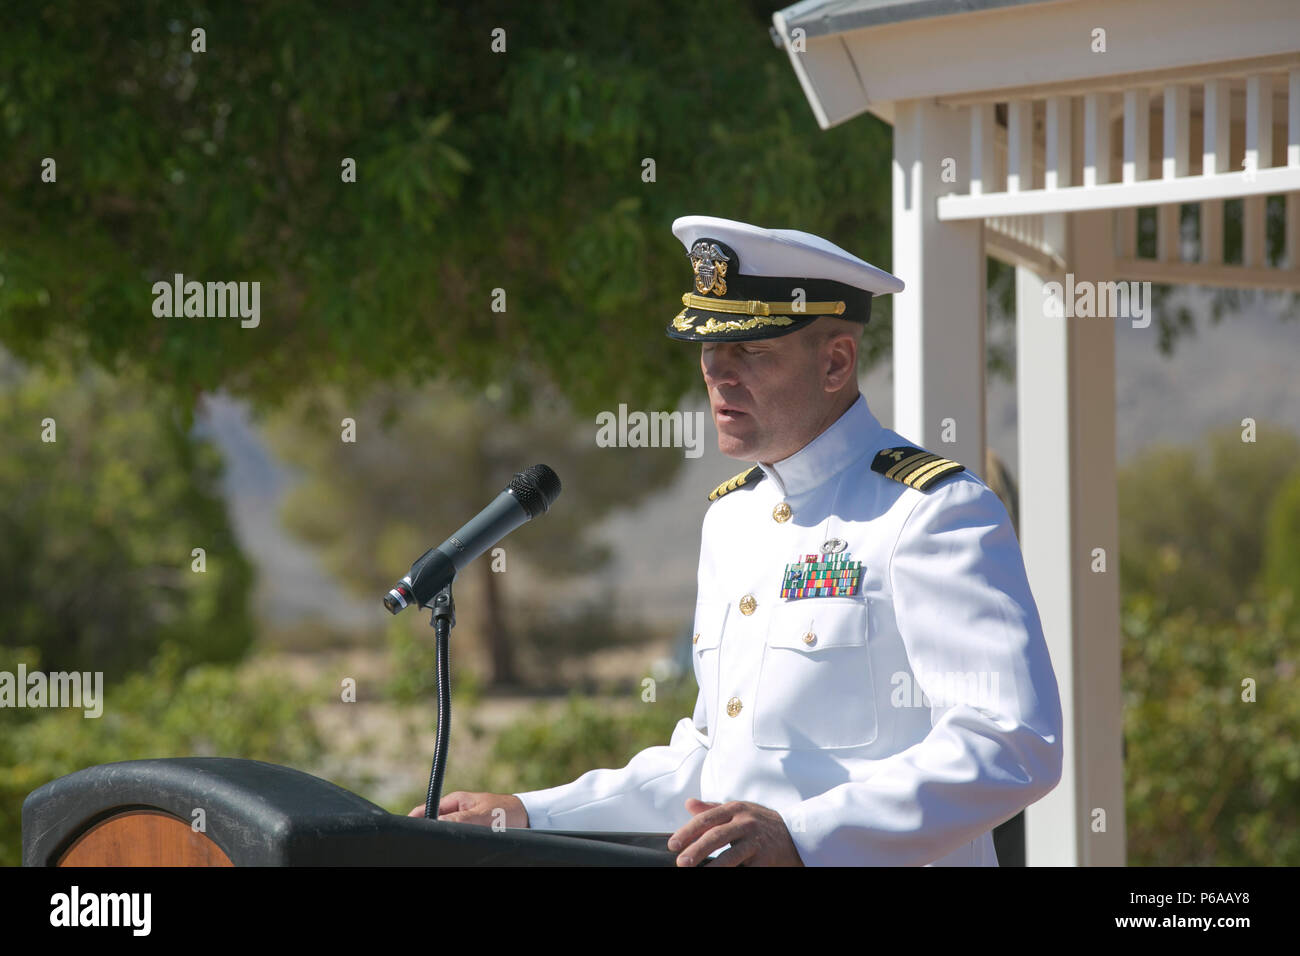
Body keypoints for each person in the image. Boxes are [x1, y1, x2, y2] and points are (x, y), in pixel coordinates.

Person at [409, 216, 1064, 867]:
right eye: (708, 349)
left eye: (750, 350)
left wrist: (807, 836)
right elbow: (709, 766)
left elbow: (1014, 740)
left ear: (836, 360)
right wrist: (530, 813)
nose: (718, 374)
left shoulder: (929, 512)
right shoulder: (731, 520)